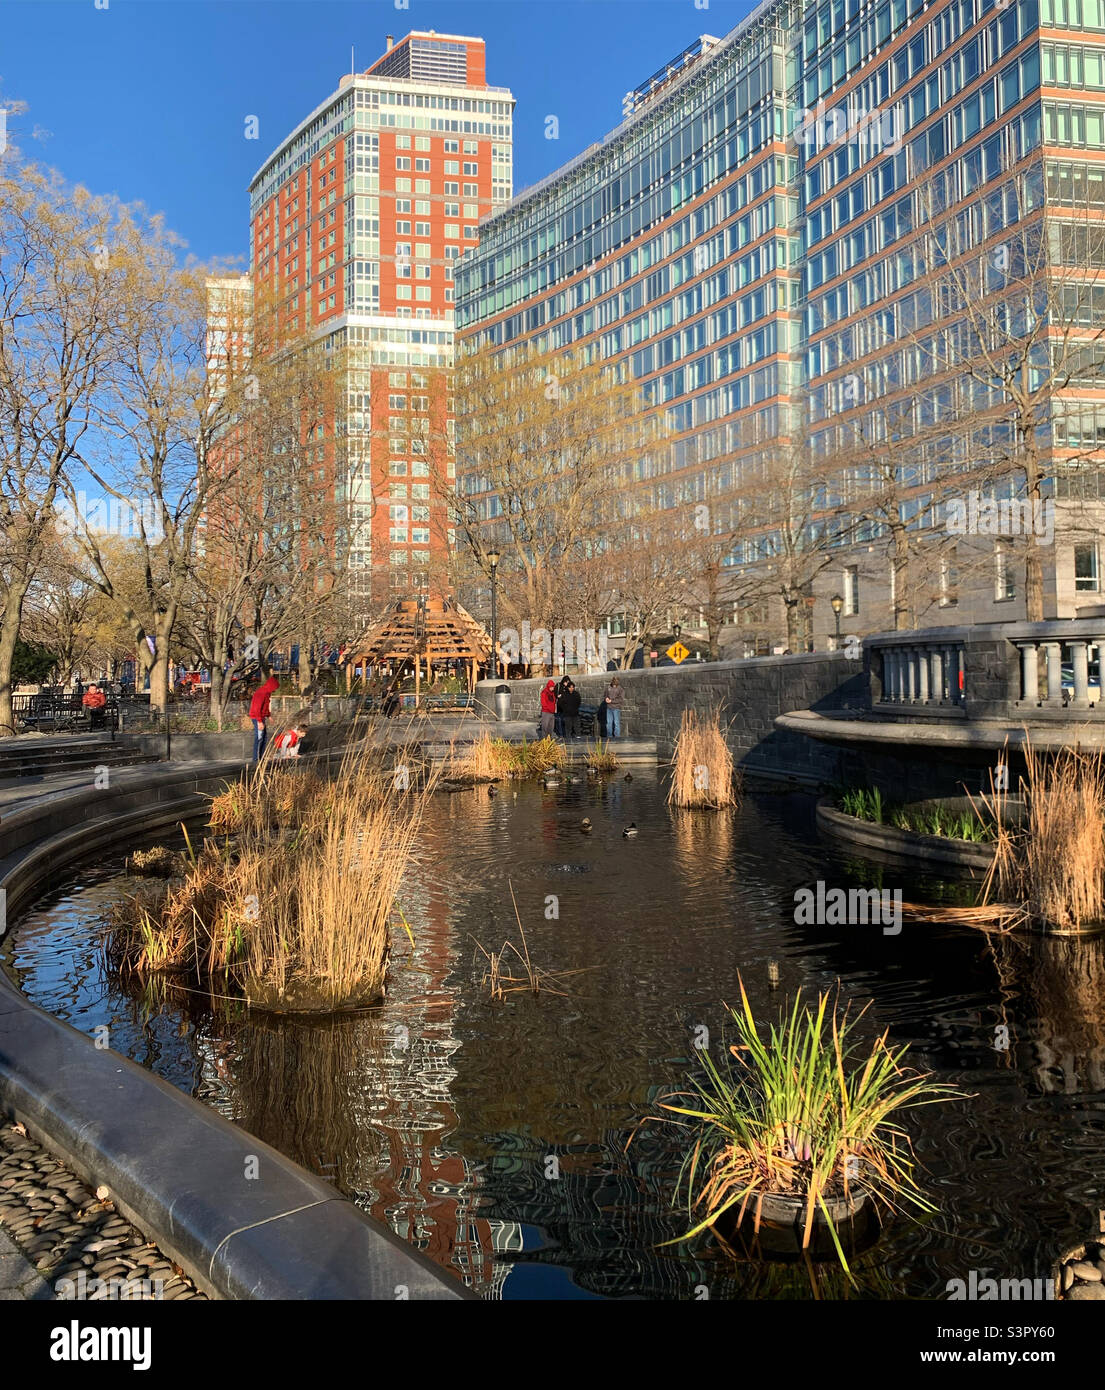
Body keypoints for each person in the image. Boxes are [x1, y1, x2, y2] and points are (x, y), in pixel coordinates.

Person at [248, 671, 280, 761]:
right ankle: (256, 759)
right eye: (274, 689)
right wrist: (259, 721)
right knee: (259, 738)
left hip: (261, 717)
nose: (274, 691)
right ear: (271, 686)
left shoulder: (266, 693)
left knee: (264, 737)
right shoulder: (261, 693)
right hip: (257, 717)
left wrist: (268, 715)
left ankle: (261, 757)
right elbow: (256, 708)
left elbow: (265, 707)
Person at [603, 675, 624, 740]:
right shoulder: (608, 687)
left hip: (616, 708)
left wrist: (611, 701)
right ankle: (609, 737)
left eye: (616, 682)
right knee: (608, 723)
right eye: (613, 682)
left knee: (616, 723)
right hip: (609, 708)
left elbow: (620, 699)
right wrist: (606, 699)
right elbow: (605, 695)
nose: (614, 683)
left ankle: (617, 737)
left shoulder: (620, 689)